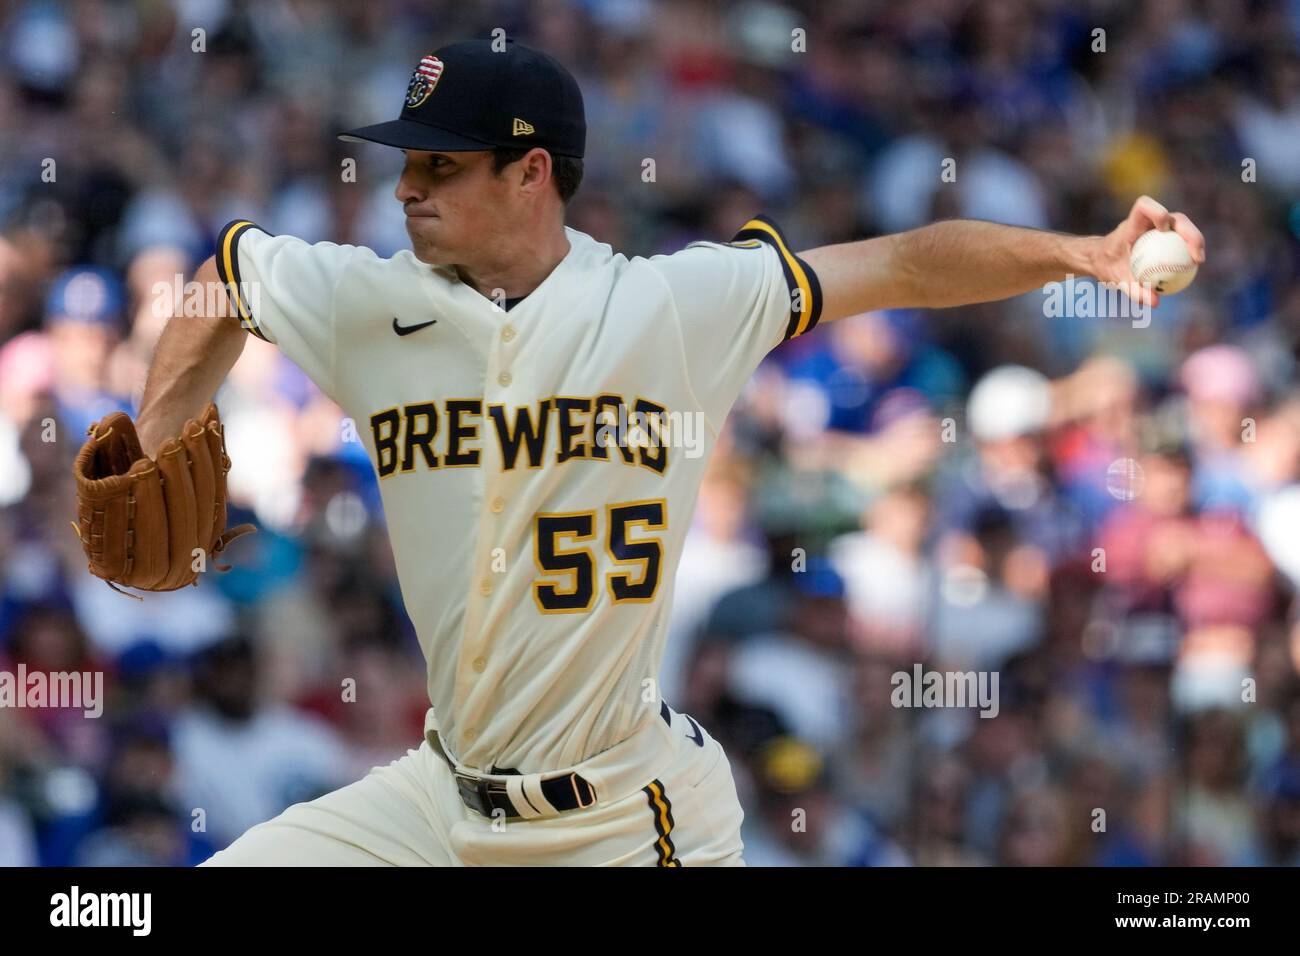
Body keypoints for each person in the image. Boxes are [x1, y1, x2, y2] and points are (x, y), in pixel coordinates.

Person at [127, 36, 1204, 866]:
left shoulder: (677, 306)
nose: (406, 187)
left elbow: (909, 264)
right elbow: (228, 272)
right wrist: (155, 435)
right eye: (405, 161)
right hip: (436, 796)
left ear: (530, 172)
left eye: (440, 164)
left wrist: (1078, 251)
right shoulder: (368, 301)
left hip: (622, 819)